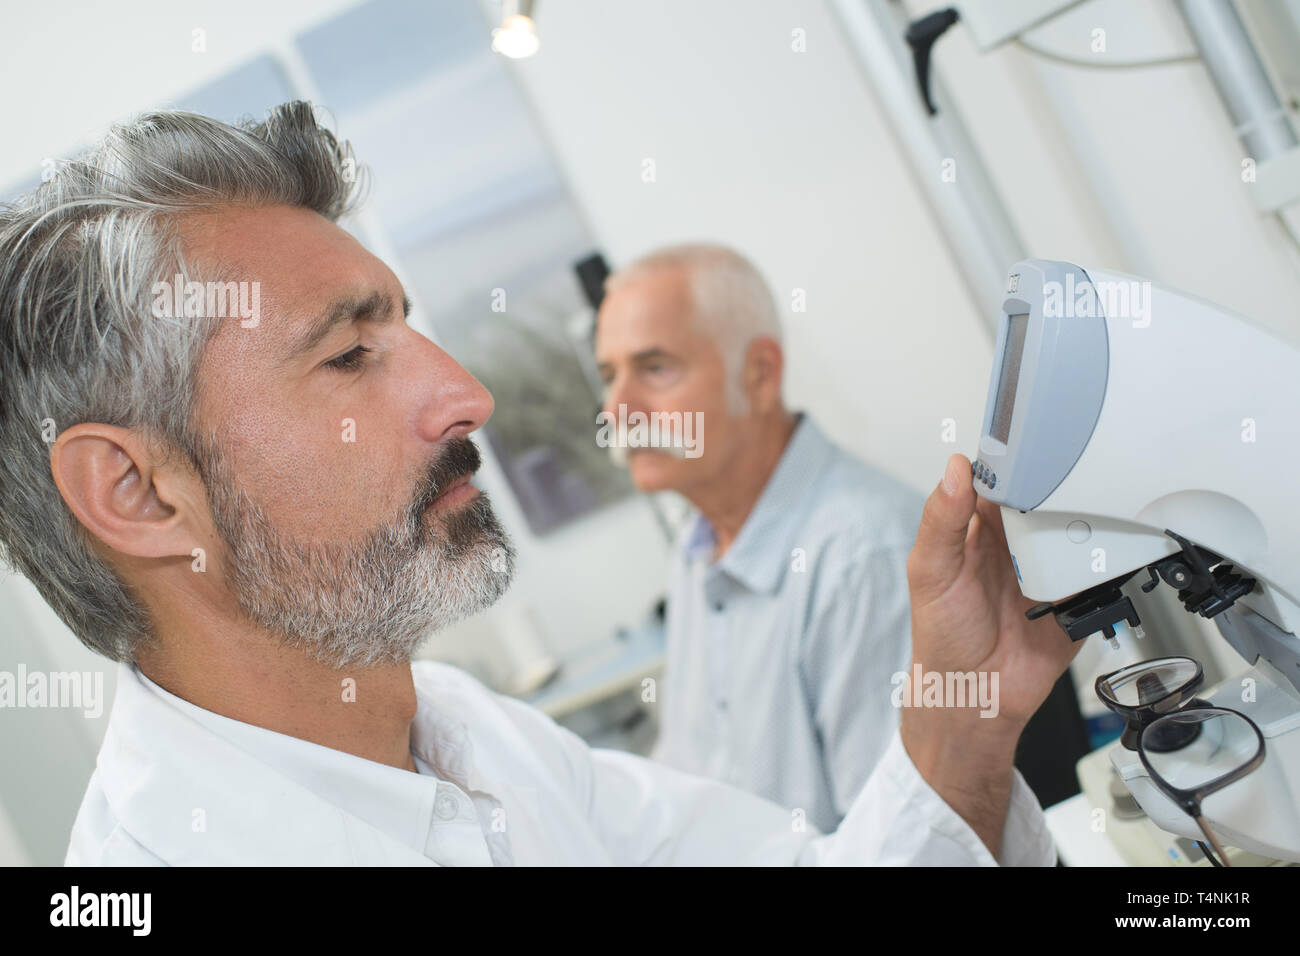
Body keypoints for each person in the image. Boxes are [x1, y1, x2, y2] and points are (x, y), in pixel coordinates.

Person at [0, 102, 1077, 866]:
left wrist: (965, 724)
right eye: (347, 357)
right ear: (137, 493)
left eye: (408, 326)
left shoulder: (470, 736)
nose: (468, 396)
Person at [595, 244, 922, 831]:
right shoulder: (697, 548)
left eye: (655, 368)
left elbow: (892, 845)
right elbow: (688, 778)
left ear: (761, 374)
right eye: (608, 376)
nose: (617, 408)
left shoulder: (862, 556)